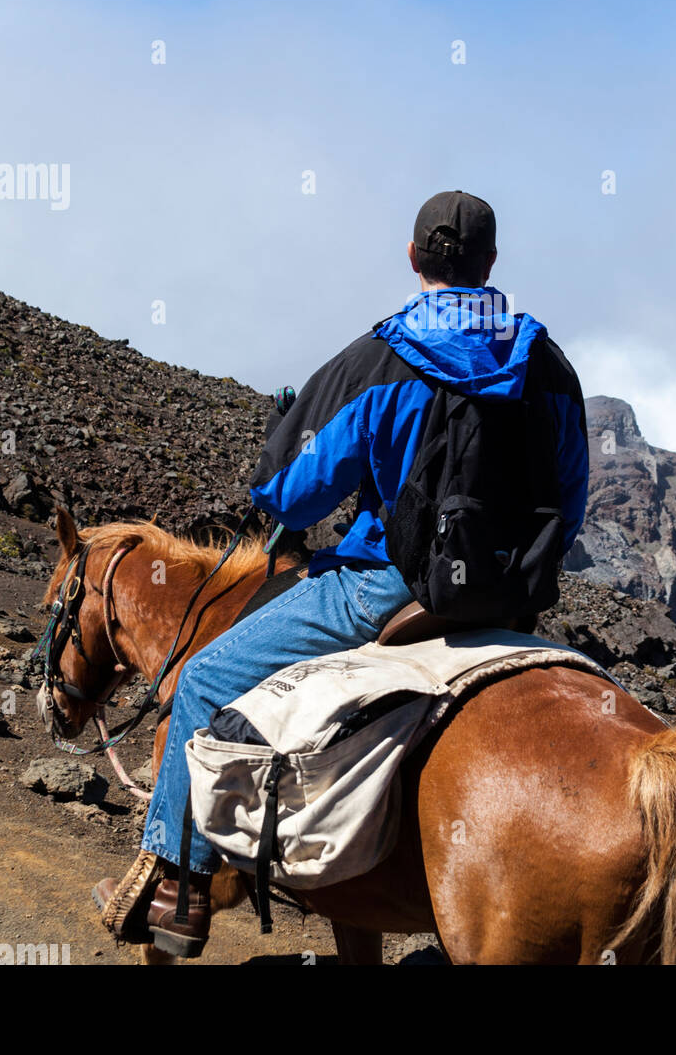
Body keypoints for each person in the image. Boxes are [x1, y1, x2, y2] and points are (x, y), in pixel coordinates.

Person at [93, 190, 589, 953]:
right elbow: (571, 500)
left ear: (413, 256)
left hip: (386, 588)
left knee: (201, 680)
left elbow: (293, 494)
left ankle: (180, 889)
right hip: (509, 601)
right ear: (491, 263)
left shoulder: (381, 356)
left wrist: (279, 449)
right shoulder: (546, 365)